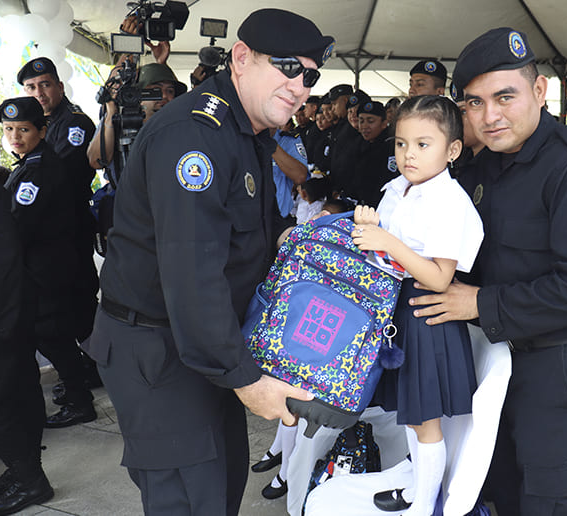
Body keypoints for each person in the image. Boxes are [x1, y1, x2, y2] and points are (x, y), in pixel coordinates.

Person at [81, 9, 334, 515]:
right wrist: (247, 380)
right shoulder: (194, 135)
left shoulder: (246, 132)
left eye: (309, 76)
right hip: (161, 354)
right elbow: (192, 275)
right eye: (287, 67)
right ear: (241, 58)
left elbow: (252, 233)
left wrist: (316, 246)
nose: (299, 86)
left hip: (206, 347)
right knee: (190, 502)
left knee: (219, 489)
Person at [414, 27, 567, 516]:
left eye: (504, 97)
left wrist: (477, 302)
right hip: (496, 362)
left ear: (540, 90)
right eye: (475, 103)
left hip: (559, 372)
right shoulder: (489, 163)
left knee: (551, 502)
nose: (490, 116)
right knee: (500, 489)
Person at [349, 94, 483, 516]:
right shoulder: (398, 189)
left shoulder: (448, 200)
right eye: (401, 143)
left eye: (423, 144)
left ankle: (425, 506)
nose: (409, 154)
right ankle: (415, 488)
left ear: (452, 149)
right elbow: (388, 254)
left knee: (426, 420)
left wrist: (388, 242)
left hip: (427, 313)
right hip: (400, 309)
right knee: (411, 413)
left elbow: (440, 276)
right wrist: (372, 229)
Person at [18, 56, 100, 424]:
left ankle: (96, 370)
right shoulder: (41, 125)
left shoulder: (74, 124)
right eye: (31, 88)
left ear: (59, 87)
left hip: (69, 230)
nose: (39, 93)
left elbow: (58, 175)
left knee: (74, 307)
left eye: (45, 85)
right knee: (71, 310)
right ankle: (89, 370)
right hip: (55, 232)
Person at [0, 125, 53, 515]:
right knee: (19, 392)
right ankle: (23, 470)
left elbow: (5, 264)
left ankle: (30, 480)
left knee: (4, 401)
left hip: (3, 315)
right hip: (10, 313)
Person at [87, 62, 188, 172]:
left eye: (170, 91)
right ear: (138, 92)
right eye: (156, 89)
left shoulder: (177, 125)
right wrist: (111, 113)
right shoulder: (118, 120)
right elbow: (96, 161)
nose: (164, 96)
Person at [351, 100, 398, 206]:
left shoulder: (391, 147)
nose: (364, 126)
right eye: (361, 121)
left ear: (384, 124)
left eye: (370, 121)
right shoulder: (360, 143)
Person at [272, 119, 309, 220]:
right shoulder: (242, 140)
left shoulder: (288, 140)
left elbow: (300, 177)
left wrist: (269, 142)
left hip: (279, 217)